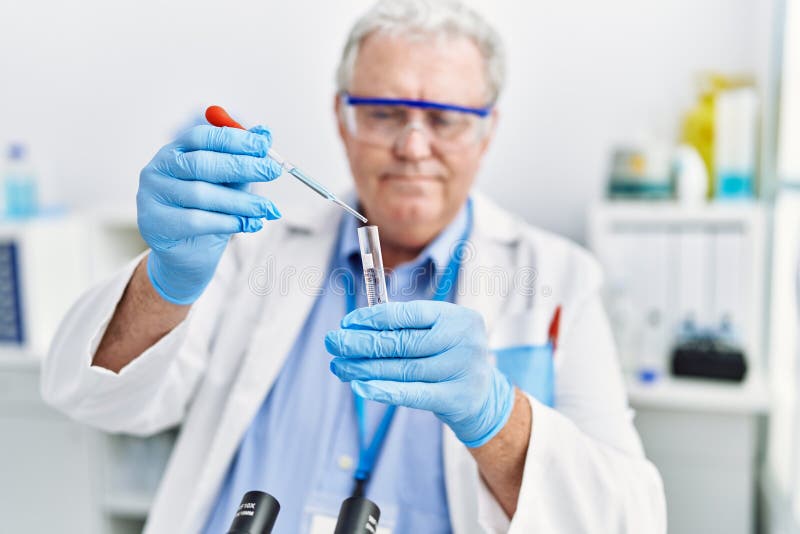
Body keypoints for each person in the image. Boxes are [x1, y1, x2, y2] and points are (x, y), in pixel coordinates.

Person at [42, 0, 666, 532]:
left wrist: (499, 418)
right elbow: (92, 399)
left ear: (487, 133)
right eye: (384, 113)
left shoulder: (559, 277)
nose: (413, 146)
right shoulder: (254, 251)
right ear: (343, 120)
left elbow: (630, 519)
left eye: (446, 119)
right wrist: (167, 279)